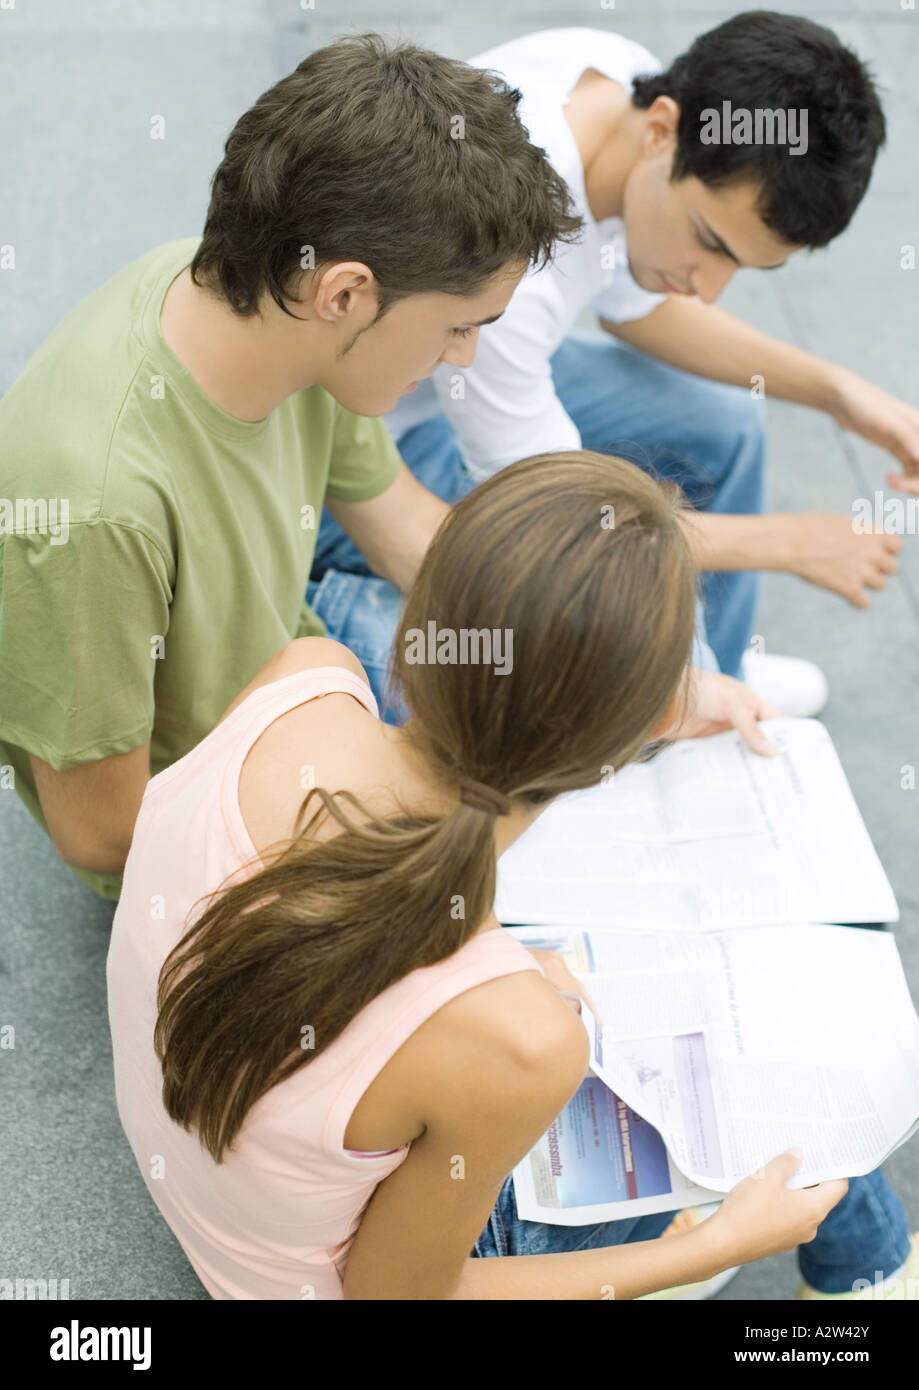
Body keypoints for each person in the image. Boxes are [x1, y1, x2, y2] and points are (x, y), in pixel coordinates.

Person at [107, 451, 916, 1300]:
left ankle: (868, 1270)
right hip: (291, 1281)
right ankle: (864, 1275)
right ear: (612, 744)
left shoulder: (308, 681)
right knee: (797, 1072)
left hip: (200, 1157)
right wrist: (719, 1247)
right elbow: (396, 1297)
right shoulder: (518, 1038)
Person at [0, 34, 581, 902]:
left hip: (297, 690)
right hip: (211, 842)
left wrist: (613, 664)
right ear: (344, 294)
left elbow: (408, 535)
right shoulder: (99, 507)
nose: (461, 358)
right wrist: (401, 823)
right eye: (460, 325)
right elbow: (103, 833)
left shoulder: (265, 309)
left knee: (537, 703)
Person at [312, 14, 909, 716]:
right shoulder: (515, 274)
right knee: (611, 602)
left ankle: (721, 672)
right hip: (380, 441)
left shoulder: (609, 74)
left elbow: (637, 308)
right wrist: (788, 542)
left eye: (742, 267)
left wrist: (840, 395)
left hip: (466, 388)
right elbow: (559, 520)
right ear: (663, 129)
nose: (709, 288)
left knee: (724, 417)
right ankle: (684, 685)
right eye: (707, 242)